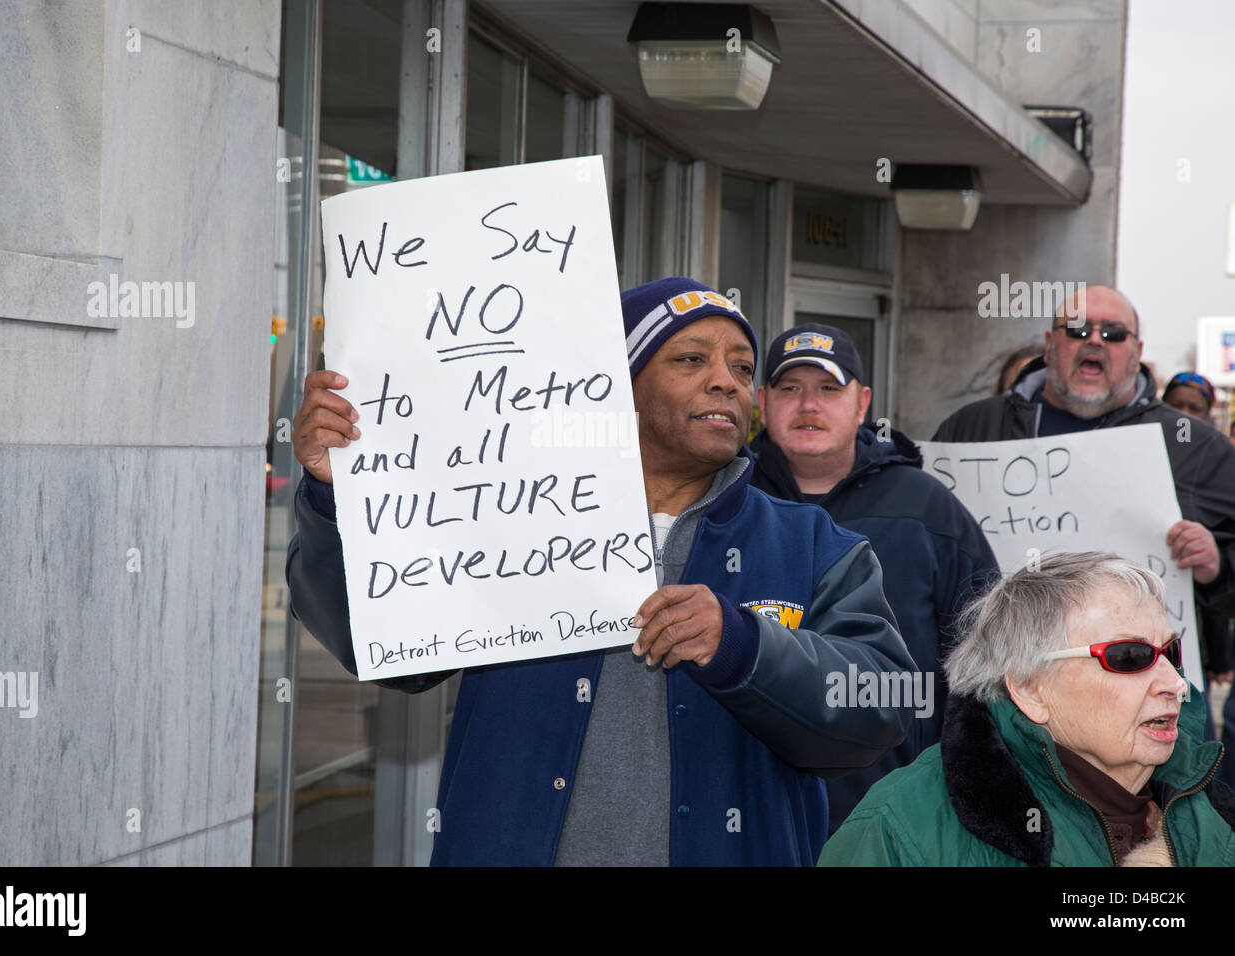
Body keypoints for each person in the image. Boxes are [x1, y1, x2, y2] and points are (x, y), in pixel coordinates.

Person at [286, 276, 915, 865]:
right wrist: (332, 497)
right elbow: (386, 648)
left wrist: (747, 648)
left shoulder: (813, 545)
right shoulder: (511, 516)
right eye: (692, 360)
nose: (726, 382)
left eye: (743, 368)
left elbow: (879, 707)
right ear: (618, 384)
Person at [818, 552, 1235, 866]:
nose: (1176, 684)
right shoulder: (900, 829)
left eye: (1171, 652)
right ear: (1030, 688)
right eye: (1129, 656)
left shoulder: (1212, 805)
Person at [750, 323, 999, 832]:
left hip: (892, 815)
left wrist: (962, 798)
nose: (808, 405)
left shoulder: (927, 508)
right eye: (789, 389)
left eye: (828, 389)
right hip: (749, 811)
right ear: (762, 401)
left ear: (862, 403)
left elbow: (989, 665)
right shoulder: (724, 501)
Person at [932, 285, 1235, 642]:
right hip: (998, 675)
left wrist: (1217, 567)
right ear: (1049, 344)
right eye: (1077, 330)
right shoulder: (971, 428)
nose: (1094, 340)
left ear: (1136, 352)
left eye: (1113, 333)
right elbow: (926, 546)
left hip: (1133, 675)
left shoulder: (1195, 447)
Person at [1161, 371, 1235, 787]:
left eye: (1195, 410)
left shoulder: (1213, 473)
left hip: (1192, 655)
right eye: (1176, 407)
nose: (1184, 417)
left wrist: (1221, 659)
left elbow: (1210, 600)